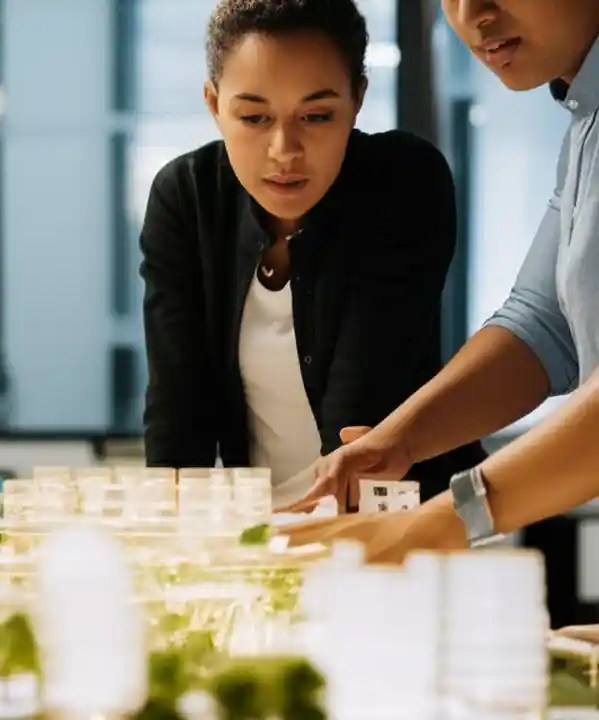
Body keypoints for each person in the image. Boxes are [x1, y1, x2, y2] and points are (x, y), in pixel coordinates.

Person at [284, 0, 599, 562]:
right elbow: (542, 324)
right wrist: (397, 439)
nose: (471, 13)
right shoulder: (587, 120)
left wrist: (434, 524)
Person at [141, 0, 484, 508]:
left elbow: (358, 419)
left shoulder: (402, 181)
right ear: (214, 104)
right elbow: (178, 416)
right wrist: (177, 535)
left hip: (403, 521)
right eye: (254, 117)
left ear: (358, 98)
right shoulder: (188, 198)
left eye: (317, 116)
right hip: (259, 528)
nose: (285, 150)